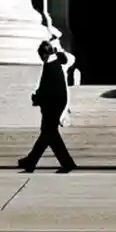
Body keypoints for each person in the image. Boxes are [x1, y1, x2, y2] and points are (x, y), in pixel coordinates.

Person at [18, 41, 77, 173]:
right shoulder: (54, 64)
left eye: (41, 55)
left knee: (49, 134)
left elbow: (47, 88)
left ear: (44, 54)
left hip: (53, 106)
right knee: (48, 134)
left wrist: (37, 98)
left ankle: (34, 161)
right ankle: (32, 161)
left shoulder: (50, 66)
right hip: (55, 104)